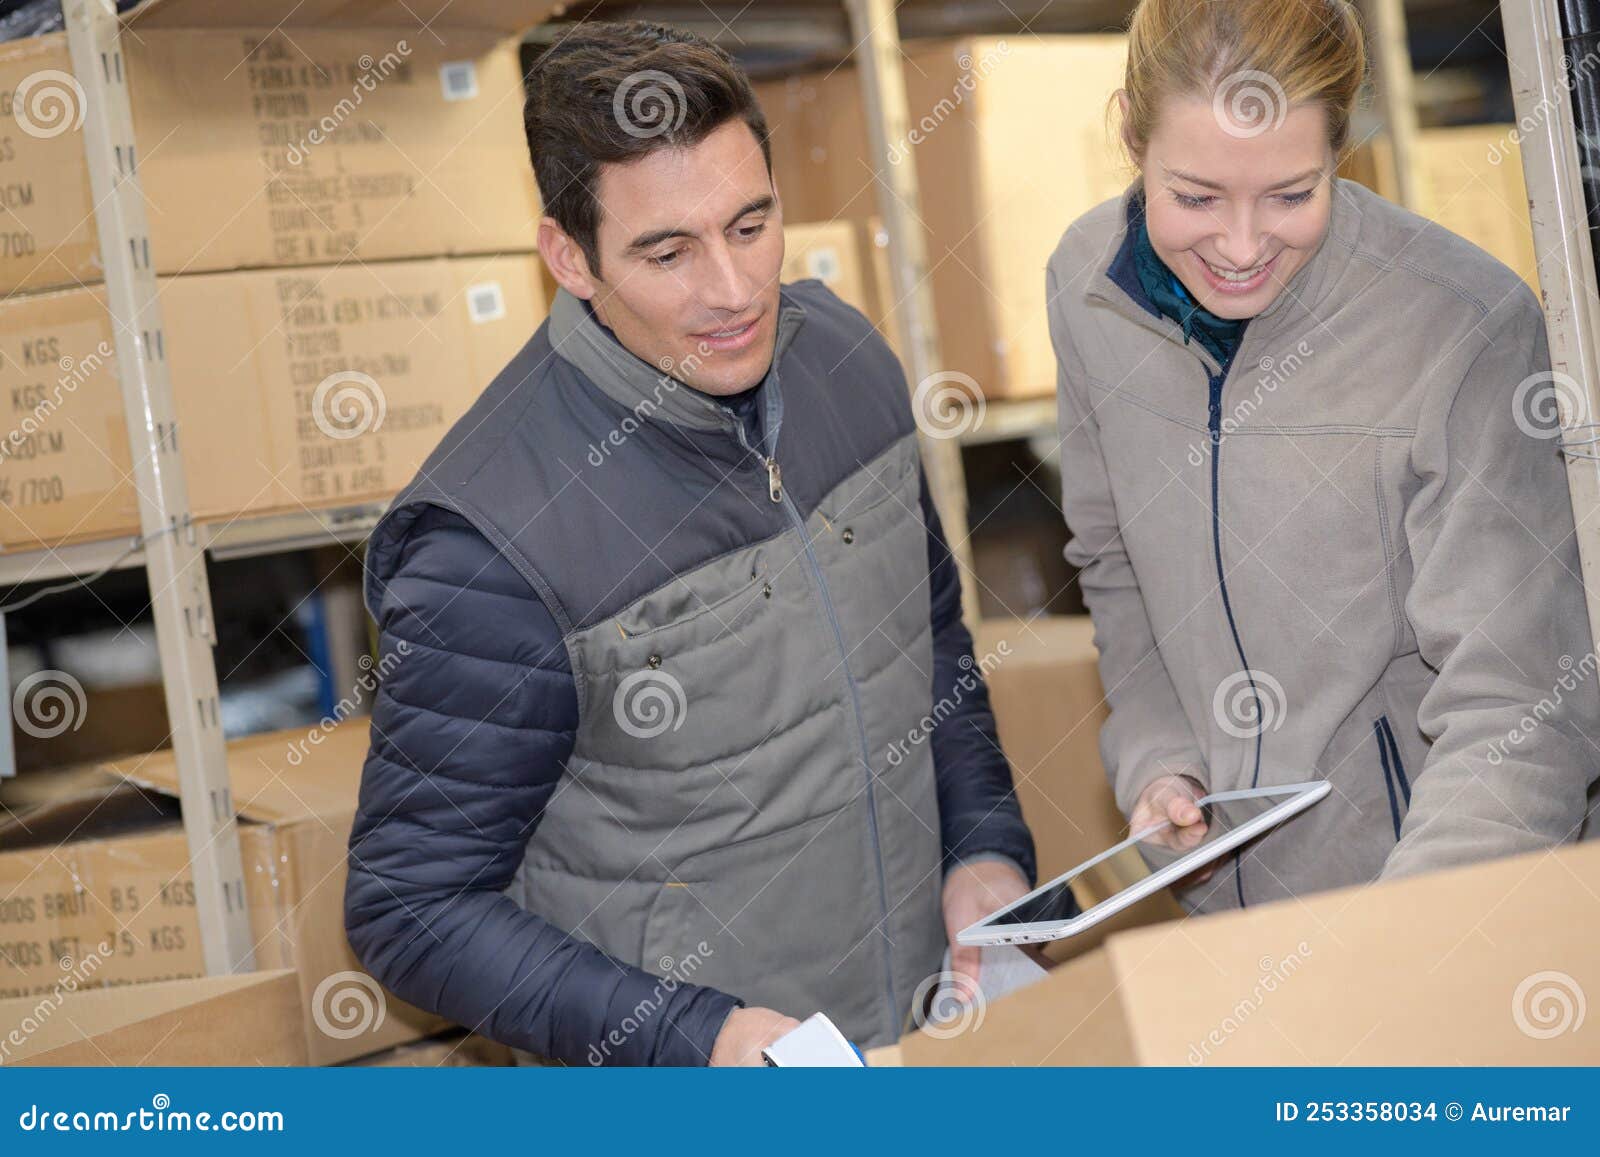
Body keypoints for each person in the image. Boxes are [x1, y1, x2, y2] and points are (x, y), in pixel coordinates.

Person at [343, 21, 1037, 1066]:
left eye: (751, 224)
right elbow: (411, 905)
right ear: (567, 257)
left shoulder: (848, 363)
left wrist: (985, 845)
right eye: (667, 252)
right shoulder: (491, 540)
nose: (734, 290)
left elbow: (930, 643)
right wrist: (692, 1035)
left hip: (916, 1042)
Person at [1049, 0, 1600, 912]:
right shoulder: (1082, 289)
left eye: (1291, 194)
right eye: (1194, 197)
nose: (1239, 248)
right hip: (1233, 925)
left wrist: (1393, 949)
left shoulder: (1459, 328)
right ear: (1128, 133)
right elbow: (1112, 563)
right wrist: (1157, 760)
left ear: (1342, 146)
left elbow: (1522, 706)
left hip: (1437, 918)